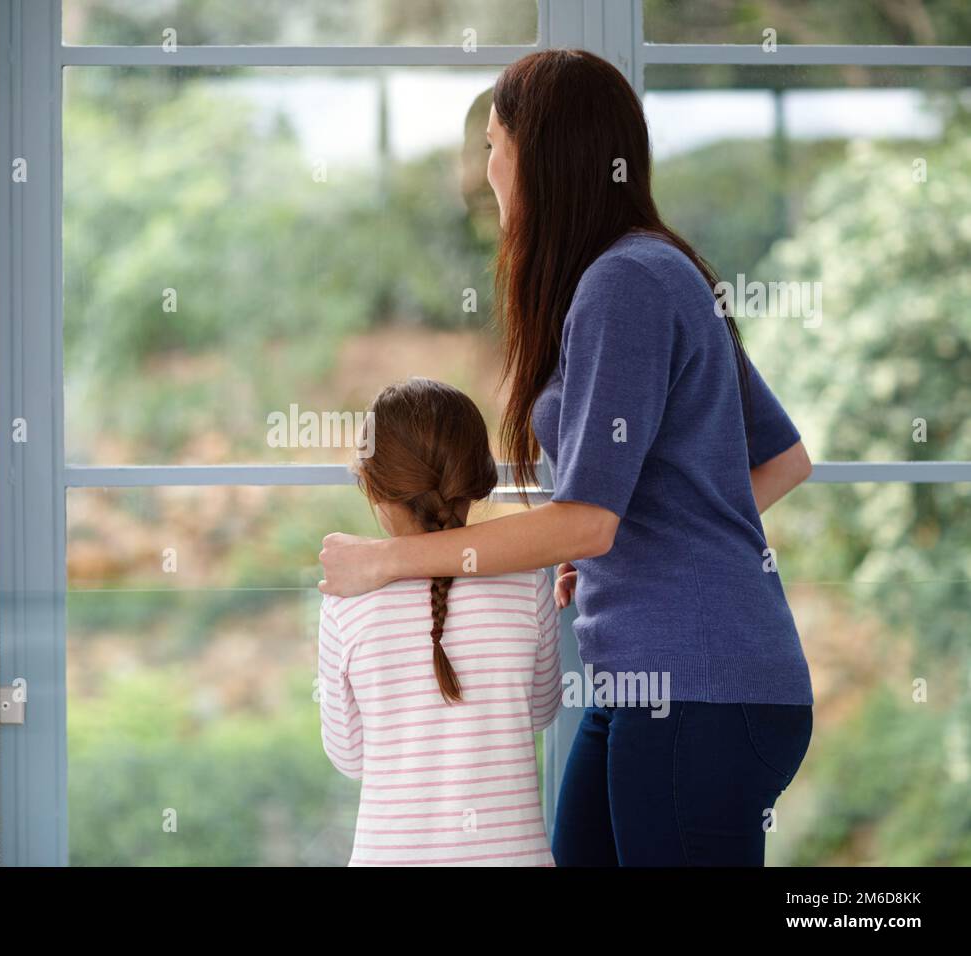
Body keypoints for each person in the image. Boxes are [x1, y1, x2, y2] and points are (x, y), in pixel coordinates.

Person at [318, 50, 815, 866]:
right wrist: (635, 548)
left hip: (699, 687)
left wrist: (388, 561)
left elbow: (586, 519)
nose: (487, 167)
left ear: (535, 153)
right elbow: (783, 460)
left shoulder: (627, 284)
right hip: (654, 683)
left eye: (493, 142)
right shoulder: (654, 269)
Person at [318, 378, 562, 866]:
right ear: (476, 479)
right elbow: (540, 712)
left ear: (372, 486)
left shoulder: (347, 601)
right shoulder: (528, 584)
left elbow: (348, 756)